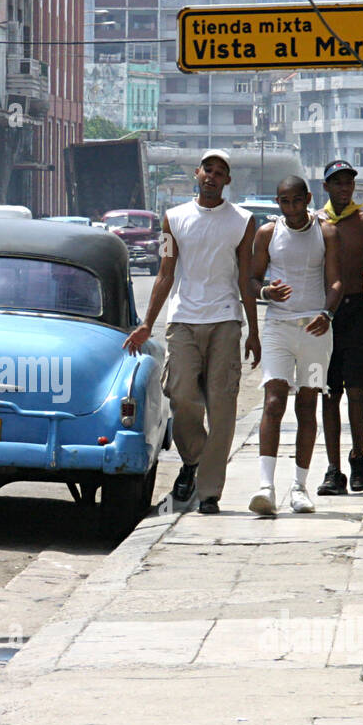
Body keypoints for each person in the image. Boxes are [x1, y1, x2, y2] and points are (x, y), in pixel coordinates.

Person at [124, 149, 259, 515]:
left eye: (220, 172)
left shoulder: (243, 222)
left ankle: (210, 491)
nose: (212, 177)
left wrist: (254, 330)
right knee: (181, 395)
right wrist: (147, 324)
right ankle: (192, 460)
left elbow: (245, 277)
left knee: (222, 406)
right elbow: (166, 272)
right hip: (183, 320)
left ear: (228, 181)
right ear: (197, 173)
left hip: (226, 320)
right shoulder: (174, 218)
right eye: (208, 170)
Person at [248, 176, 342, 516]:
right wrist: (265, 293)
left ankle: (300, 487)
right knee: (273, 401)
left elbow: (336, 281)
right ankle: (265, 487)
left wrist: (327, 312)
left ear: (307, 199)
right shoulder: (267, 234)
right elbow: (252, 278)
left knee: (307, 404)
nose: (291, 208)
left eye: (296, 201)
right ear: (278, 203)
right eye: (284, 202)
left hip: (316, 332)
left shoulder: (326, 232)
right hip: (278, 328)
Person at [315, 160, 363, 495]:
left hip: (357, 309)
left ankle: (357, 456)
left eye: (349, 182)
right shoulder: (316, 221)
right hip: (325, 314)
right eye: (337, 183)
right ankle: (333, 469)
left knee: (357, 389)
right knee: (329, 393)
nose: (344, 188)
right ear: (326, 187)